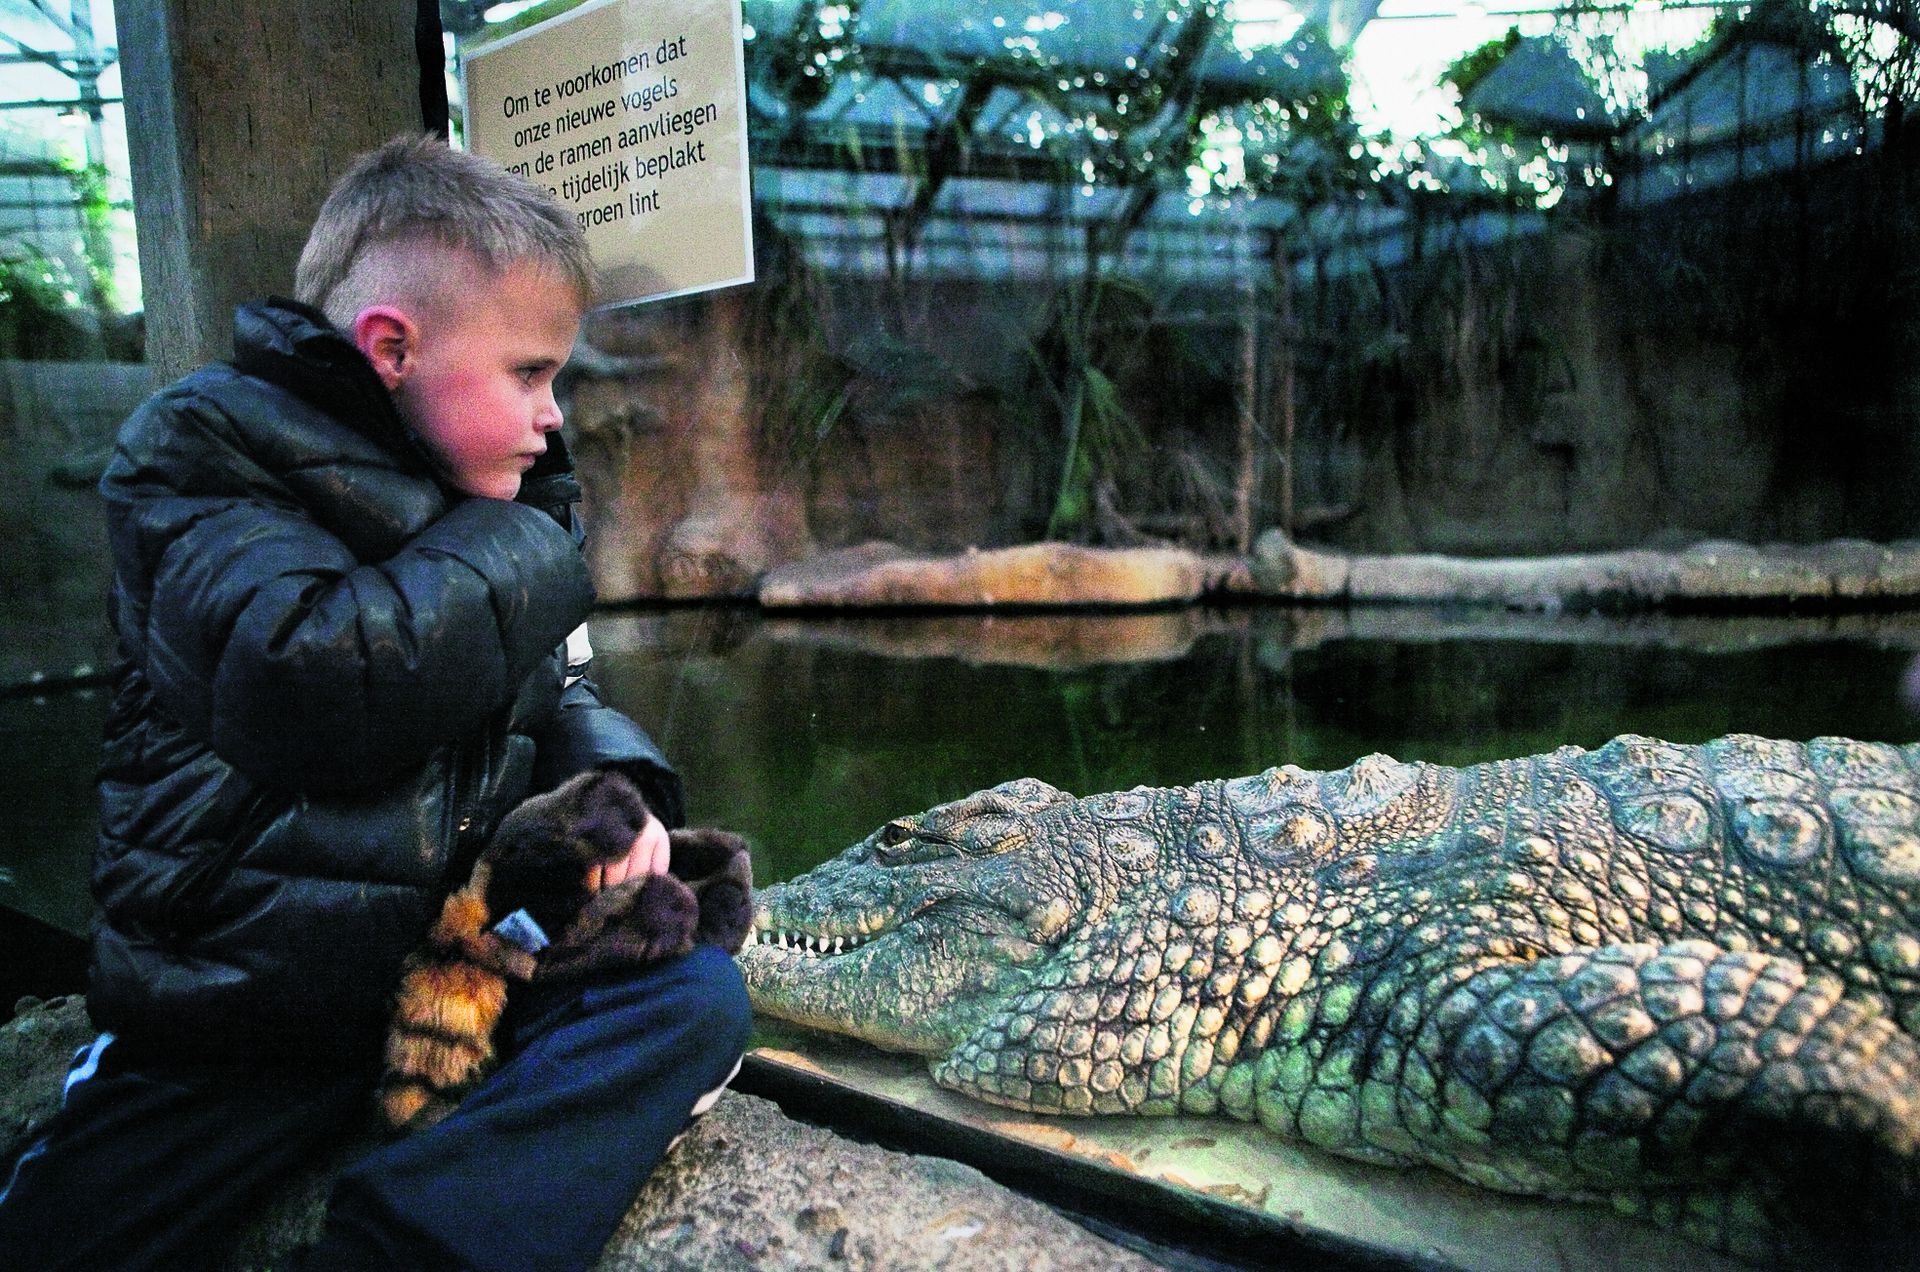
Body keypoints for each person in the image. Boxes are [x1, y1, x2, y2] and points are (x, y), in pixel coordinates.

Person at [0, 133, 751, 1271]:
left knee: (689, 998)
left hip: (448, 968)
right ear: (393, 347)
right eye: (530, 374)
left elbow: (562, 687)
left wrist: (615, 791)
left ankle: (405, 1248)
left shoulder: (492, 503)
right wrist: (529, 540)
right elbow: (309, 679)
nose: (554, 417)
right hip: (242, 1002)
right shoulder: (201, 451)